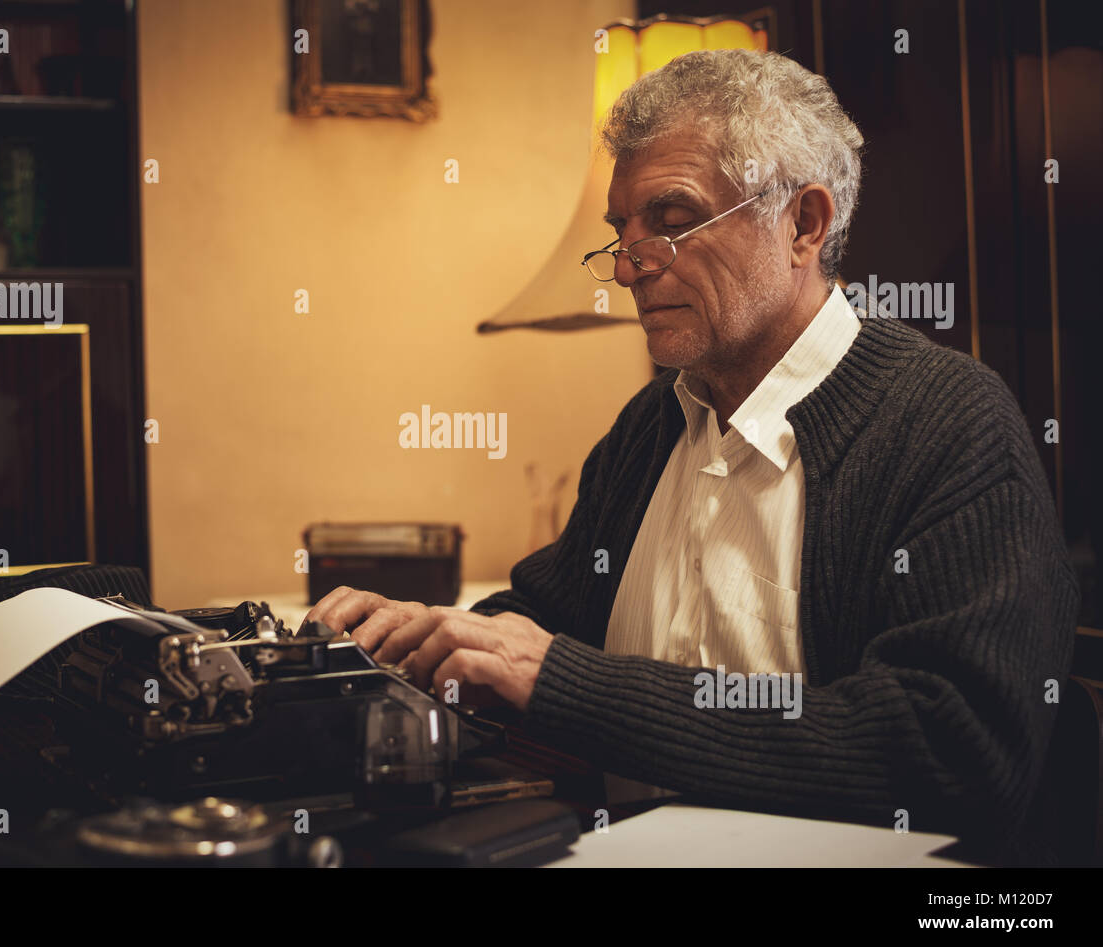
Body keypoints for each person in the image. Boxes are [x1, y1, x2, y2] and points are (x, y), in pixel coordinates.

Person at [306, 49, 1079, 861]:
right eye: (621, 233)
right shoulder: (651, 426)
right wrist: (426, 641)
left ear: (803, 225)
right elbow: (548, 622)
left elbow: (951, 757)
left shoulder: (947, 422)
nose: (630, 266)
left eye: (672, 221)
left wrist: (564, 681)